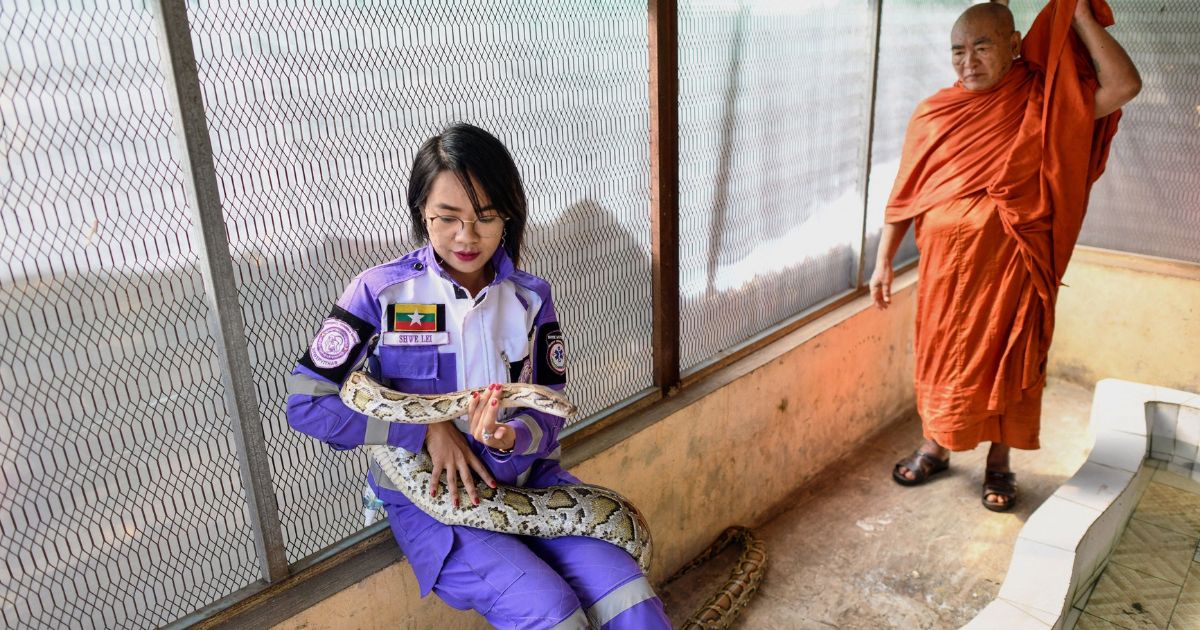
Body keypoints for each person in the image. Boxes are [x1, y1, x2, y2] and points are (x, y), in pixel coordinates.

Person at [285, 123, 671, 629]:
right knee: (552, 613)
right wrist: (423, 429)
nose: (467, 237)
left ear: (508, 215)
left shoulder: (531, 297)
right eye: (448, 218)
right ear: (422, 210)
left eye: (486, 218)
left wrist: (509, 438)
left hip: (532, 484)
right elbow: (307, 403)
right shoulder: (381, 293)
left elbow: (548, 407)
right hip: (438, 502)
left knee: (631, 599)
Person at [871, 0, 1140, 511]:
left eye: (982, 46)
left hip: (1014, 269)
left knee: (1011, 360)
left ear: (1014, 46)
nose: (967, 60)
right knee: (943, 361)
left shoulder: (1045, 102)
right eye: (957, 50)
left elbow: (1125, 86)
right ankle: (938, 444)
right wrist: (883, 260)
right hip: (945, 275)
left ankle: (1000, 462)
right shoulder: (934, 113)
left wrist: (1079, 16)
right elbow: (905, 190)